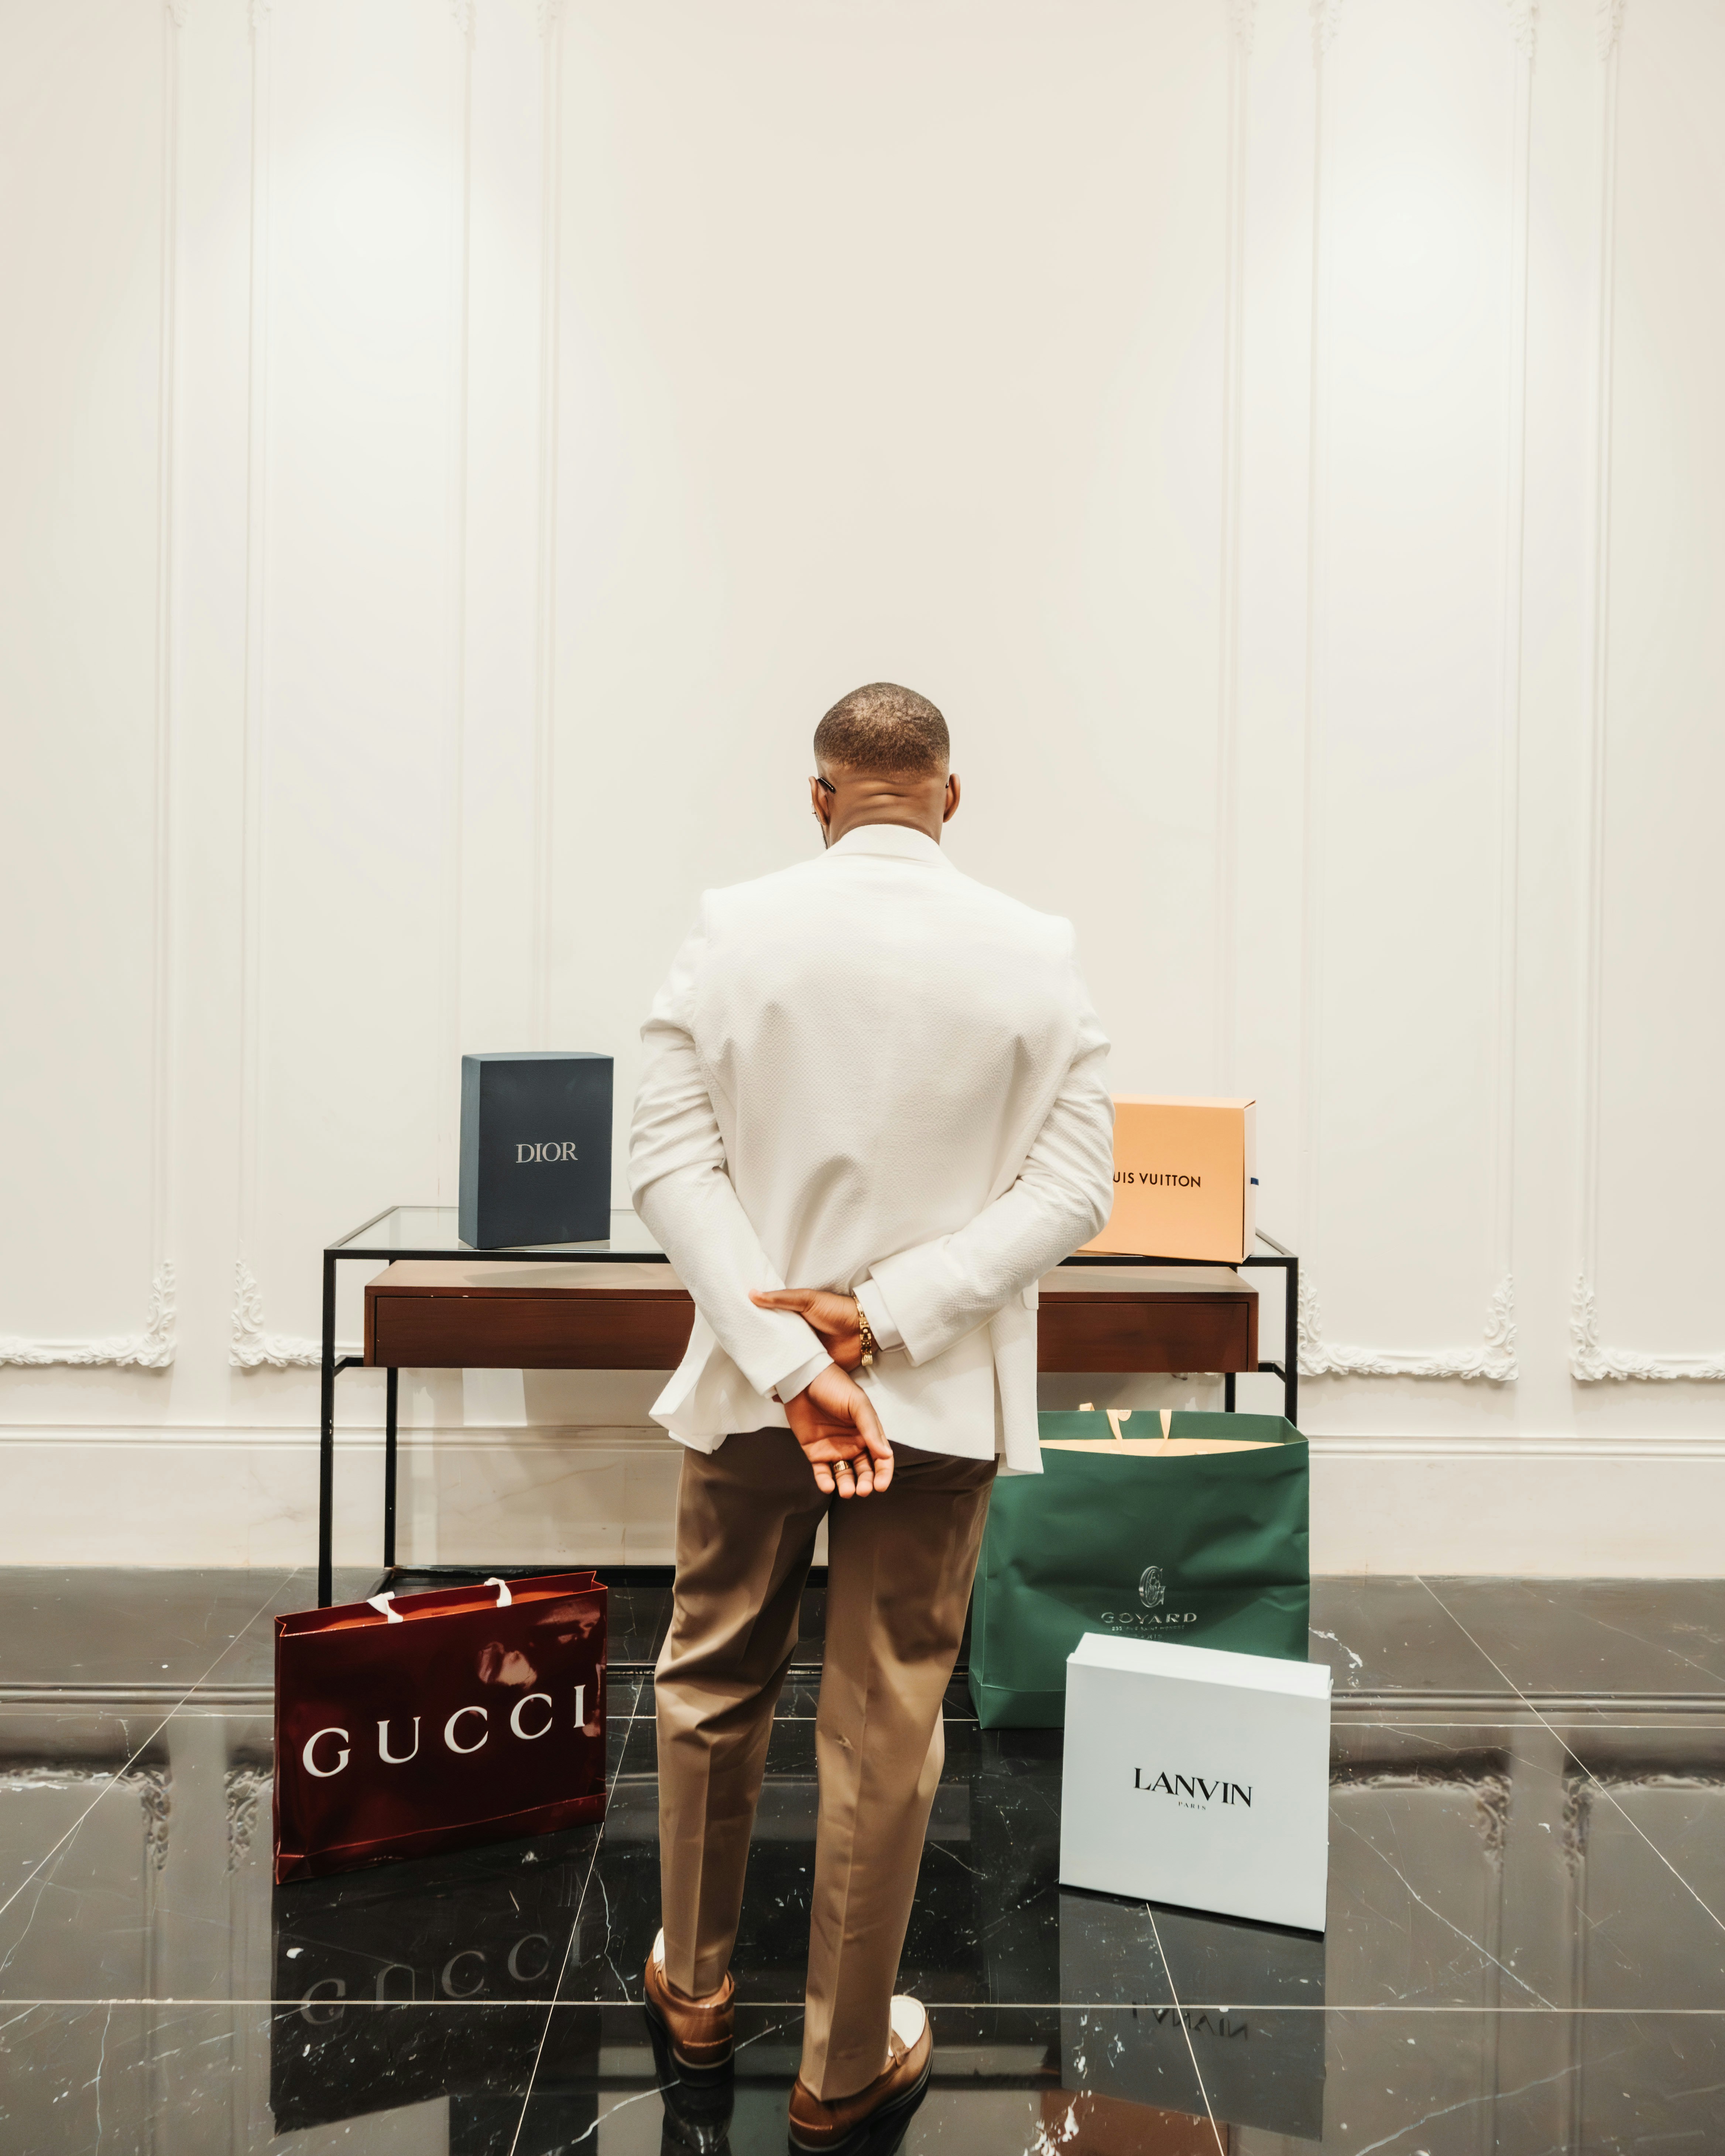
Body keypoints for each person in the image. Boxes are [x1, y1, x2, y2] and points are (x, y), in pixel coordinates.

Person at [629, 682, 1114, 2153]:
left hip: (756, 1391)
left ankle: (694, 1990)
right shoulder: (1038, 952)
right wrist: (885, 1317)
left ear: (819, 794)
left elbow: (668, 1166)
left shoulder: (732, 929)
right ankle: (844, 2065)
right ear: (950, 797)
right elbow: (1073, 1191)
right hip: (937, 1393)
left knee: (713, 1674)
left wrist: (791, 1356)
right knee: (888, 1715)